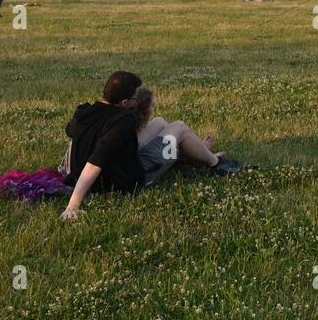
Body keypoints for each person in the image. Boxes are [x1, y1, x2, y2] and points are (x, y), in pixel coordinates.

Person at [60, 72, 242, 220]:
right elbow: (95, 162)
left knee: (160, 122)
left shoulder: (85, 111)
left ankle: (195, 151)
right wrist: (73, 206)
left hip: (96, 167)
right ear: (124, 103)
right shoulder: (123, 121)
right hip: (121, 181)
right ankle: (215, 162)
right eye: (135, 98)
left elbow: (72, 131)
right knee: (179, 127)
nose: (137, 101)